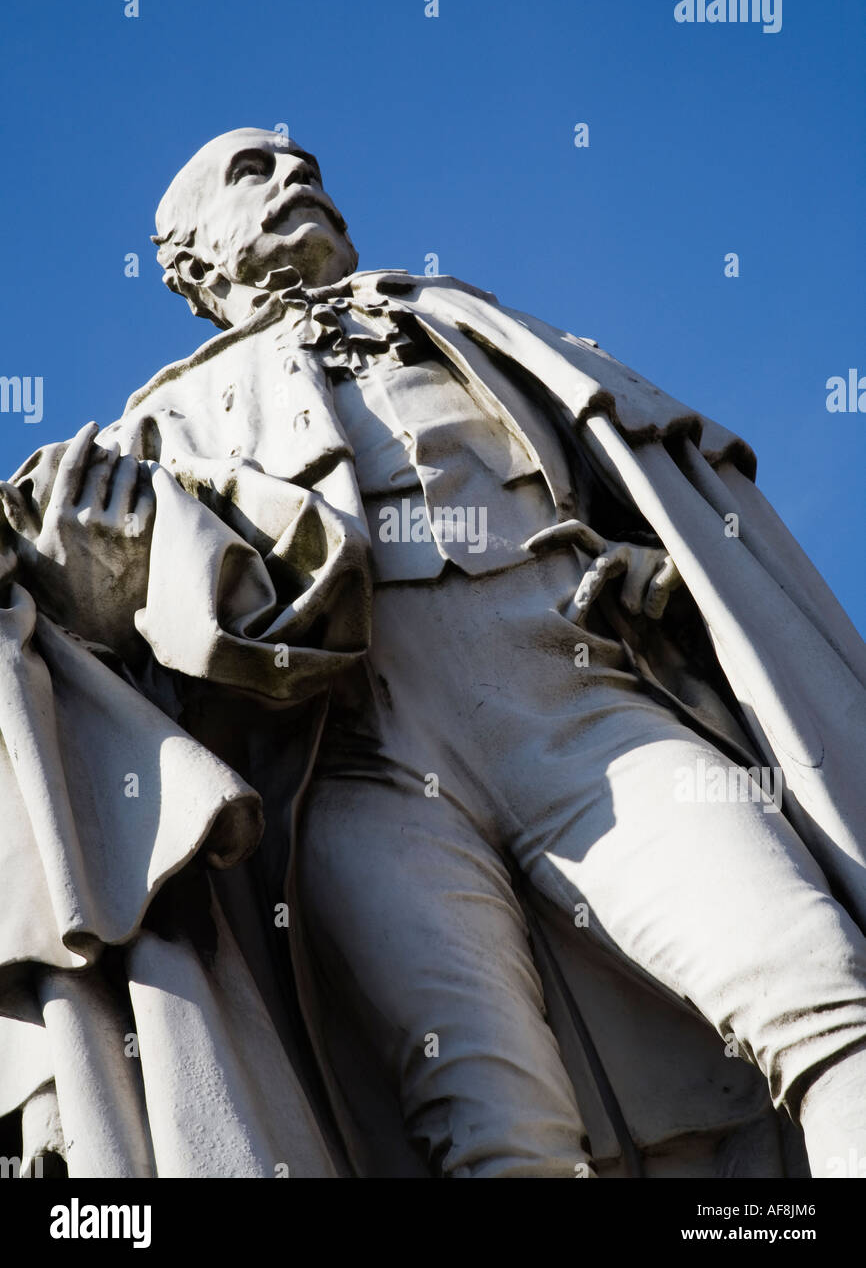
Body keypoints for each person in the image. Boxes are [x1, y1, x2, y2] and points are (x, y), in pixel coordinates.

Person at [3, 127, 866, 1178]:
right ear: (186, 261)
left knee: (819, 985)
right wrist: (97, 593)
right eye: (251, 171)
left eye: (303, 167)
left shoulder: (463, 319)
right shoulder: (142, 438)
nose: (293, 177)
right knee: (495, 1123)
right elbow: (77, 709)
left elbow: (659, 498)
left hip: (581, 706)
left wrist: (664, 582)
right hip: (354, 775)